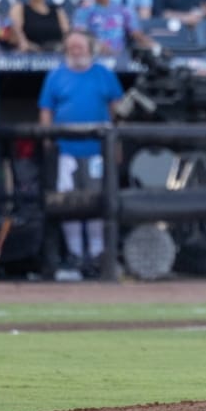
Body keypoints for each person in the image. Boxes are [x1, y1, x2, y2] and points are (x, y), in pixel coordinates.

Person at [39, 31, 125, 278]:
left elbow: (117, 110)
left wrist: (117, 144)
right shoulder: (56, 75)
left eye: (80, 46)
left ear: (90, 48)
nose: (76, 51)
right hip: (66, 150)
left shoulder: (104, 74)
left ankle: (97, 254)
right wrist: (46, 138)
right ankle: (75, 254)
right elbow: (46, 110)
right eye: (71, 47)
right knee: (69, 201)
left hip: (98, 150)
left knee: (98, 200)